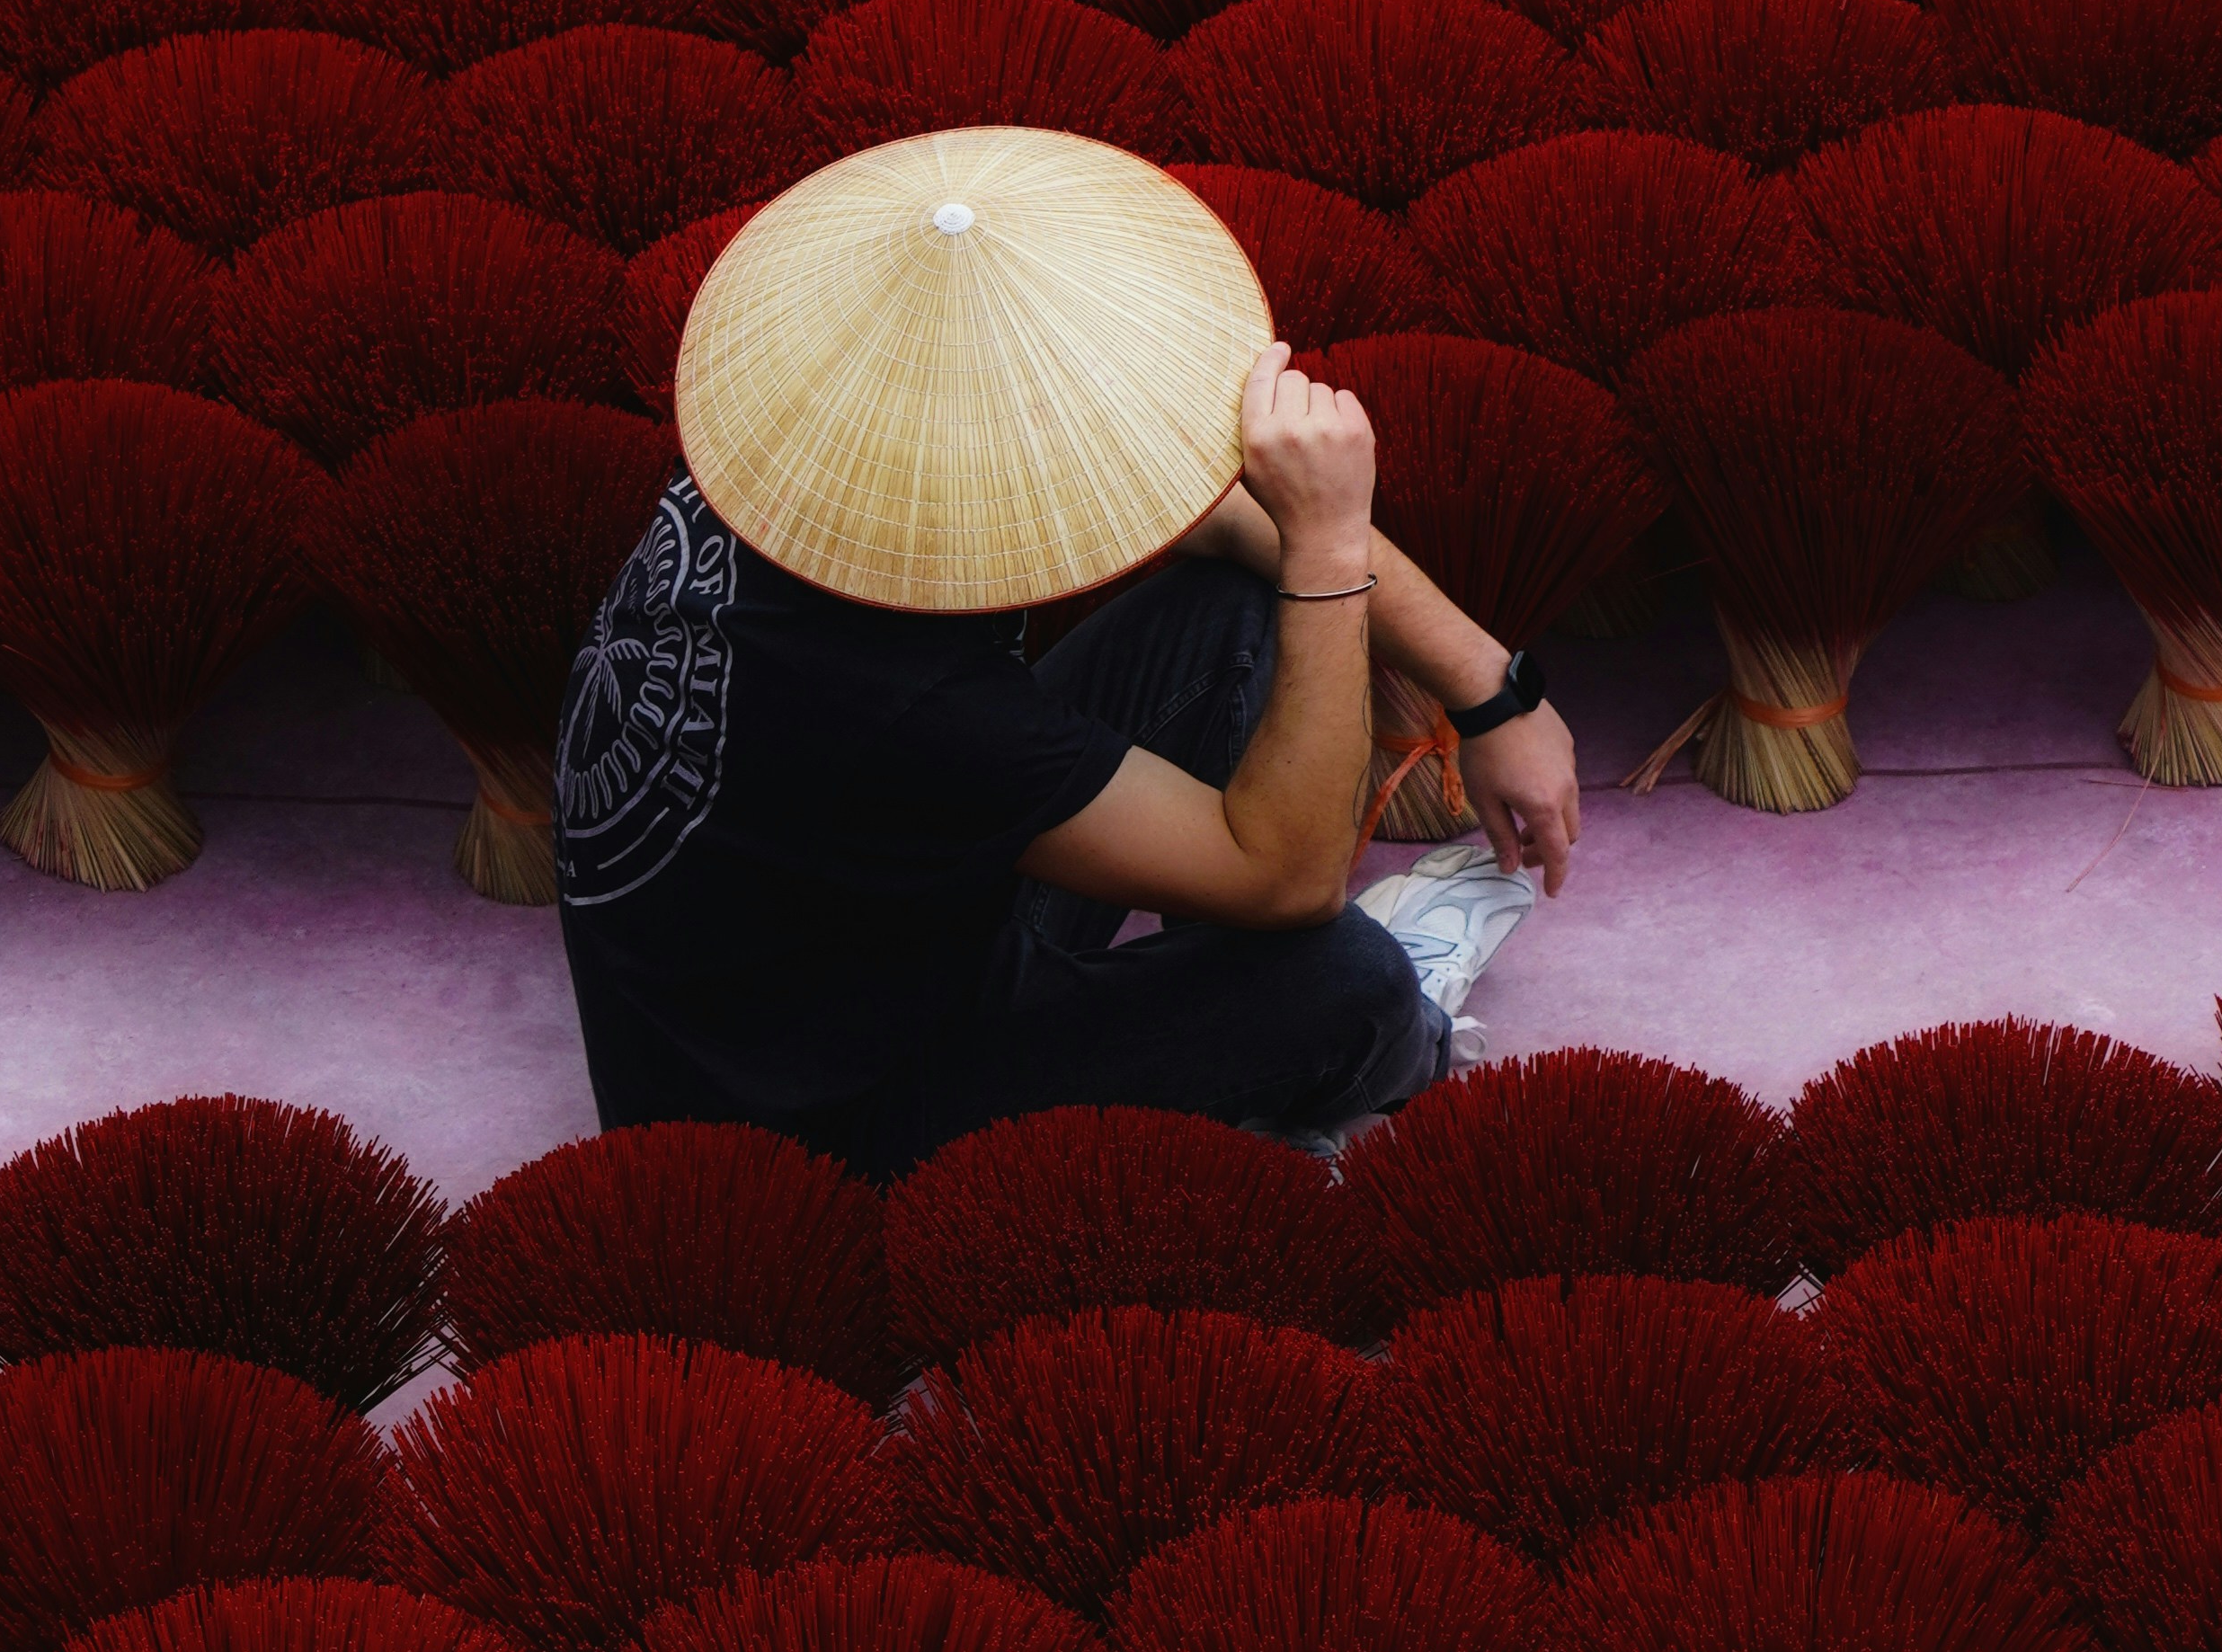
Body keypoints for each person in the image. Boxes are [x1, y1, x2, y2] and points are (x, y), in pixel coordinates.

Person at [555, 129, 1581, 1173]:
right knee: (1346, 985)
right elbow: (1292, 882)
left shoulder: (792, 460)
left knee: (1224, 615)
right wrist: (1326, 535)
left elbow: (1208, 513)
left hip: (836, 933)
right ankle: (1353, 1064)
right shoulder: (908, 705)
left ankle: (1196, 1024)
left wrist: (1491, 692)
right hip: (813, 1120)